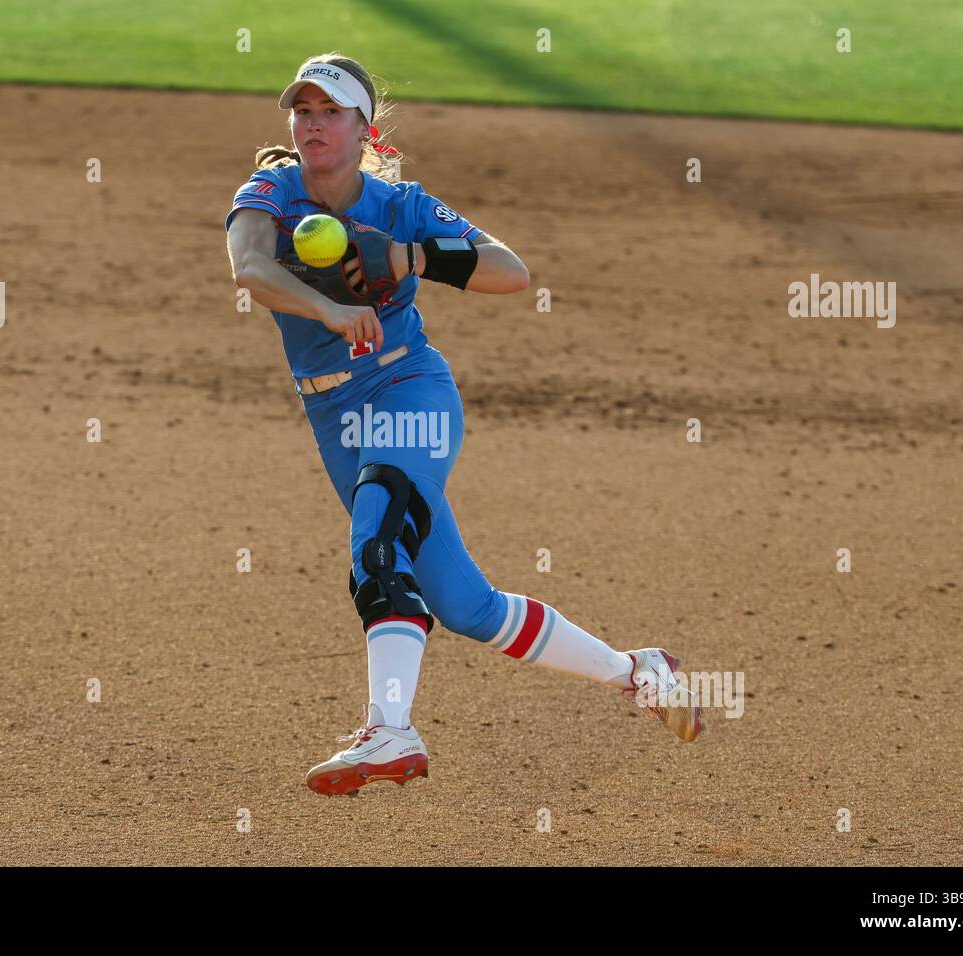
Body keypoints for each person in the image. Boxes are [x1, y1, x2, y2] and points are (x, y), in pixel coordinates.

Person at [224, 53, 702, 797]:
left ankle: (390, 730)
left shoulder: (403, 204)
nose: (313, 123)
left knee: (378, 548)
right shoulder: (269, 193)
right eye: (303, 110)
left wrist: (410, 255)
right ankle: (638, 673)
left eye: (331, 111)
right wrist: (330, 308)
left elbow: (510, 270)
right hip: (333, 416)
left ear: (363, 128)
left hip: (410, 392)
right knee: (467, 607)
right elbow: (250, 269)